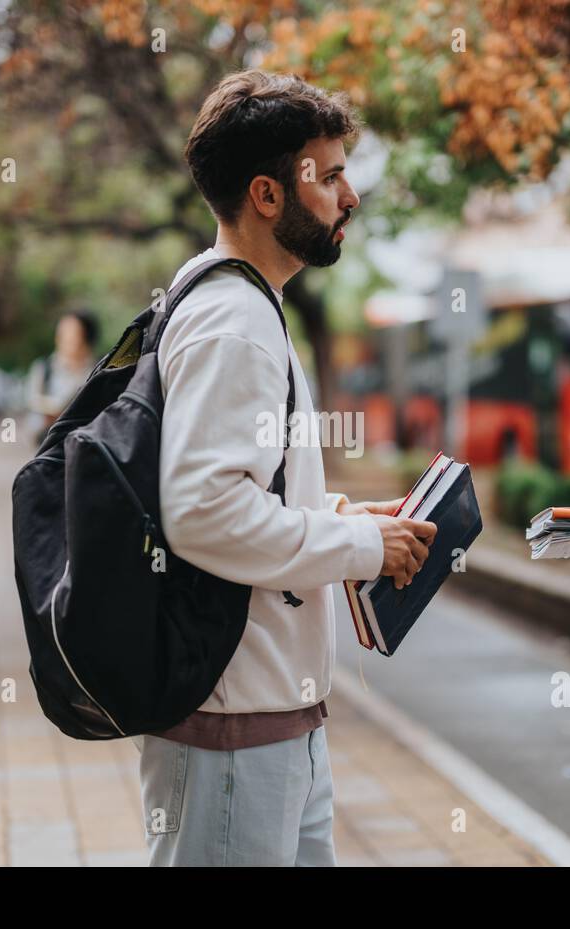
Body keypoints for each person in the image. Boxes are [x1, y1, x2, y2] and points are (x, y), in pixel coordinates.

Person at [138, 69, 437, 866]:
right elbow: (203, 513)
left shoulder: (243, 304)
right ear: (268, 195)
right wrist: (362, 551)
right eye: (330, 176)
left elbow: (245, 492)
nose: (351, 196)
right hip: (234, 728)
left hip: (273, 717)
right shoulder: (233, 322)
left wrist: (343, 520)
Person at [25, 309, 99, 445]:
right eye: (62, 334)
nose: (66, 339)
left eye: (73, 334)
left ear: (87, 337)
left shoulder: (100, 369)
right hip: (53, 451)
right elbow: (32, 417)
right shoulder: (44, 369)